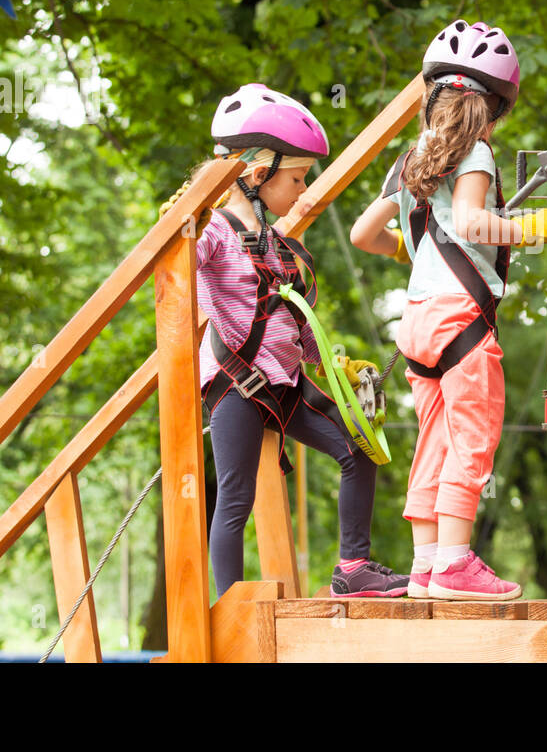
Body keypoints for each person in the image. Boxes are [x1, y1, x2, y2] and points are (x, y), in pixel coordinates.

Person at [351, 20, 547, 601]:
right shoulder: (473, 151)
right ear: (493, 110)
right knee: (472, 437)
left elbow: (362, 234)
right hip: (459, 317)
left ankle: (424, 566)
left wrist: (410, 246)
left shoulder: (411, 159)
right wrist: (532, 229)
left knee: (435, 440)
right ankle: (453, 563)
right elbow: (472, 222)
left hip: (418, 319)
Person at [168, 84, 407, 599]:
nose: (302, 189)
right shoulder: (215, 234)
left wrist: (334, 368)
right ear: (257, 175)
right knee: (236, 497)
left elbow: (295, 319)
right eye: (296, 178)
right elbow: (177, 264)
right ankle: (230, 604)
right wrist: (181, 223)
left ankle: (354, 568)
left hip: (290, 383)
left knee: (358, 450)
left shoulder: (279, 245)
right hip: (238, 387)